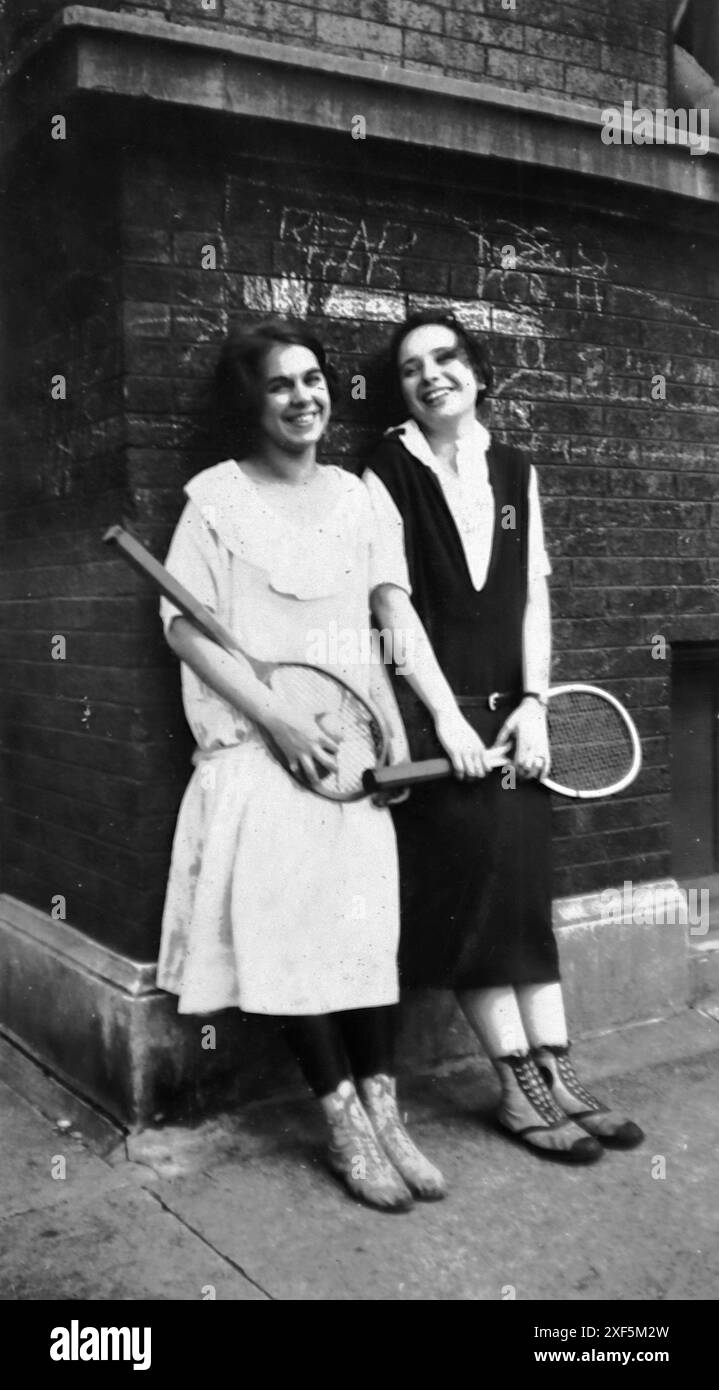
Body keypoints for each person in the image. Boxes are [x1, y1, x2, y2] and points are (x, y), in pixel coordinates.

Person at [156, 319, 463, 1211]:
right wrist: (276, 718)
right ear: (251, 405)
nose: (304, 398)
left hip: (354, 755)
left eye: (313, 380)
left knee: (363, 938)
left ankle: (385, 1111)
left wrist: (401, 725)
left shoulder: (363, 498)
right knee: (293, 941)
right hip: (261, 753)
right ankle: (341, 1124)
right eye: (281, 385)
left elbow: (392, 615)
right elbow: (183, 626)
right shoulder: (215, 500)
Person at [364, 312, 644, 1162]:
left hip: (513, 722)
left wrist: (532, 703)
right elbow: (389, 605)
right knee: (478, 904)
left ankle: (557, 1075)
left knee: (523, 895)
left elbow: (532, 600)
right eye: (412, 368)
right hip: (436, 724)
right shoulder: (383, 470)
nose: (430, 375)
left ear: (478, 371)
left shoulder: (517, 470)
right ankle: (516, 1090)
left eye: (445, 358)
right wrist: (445, 717)